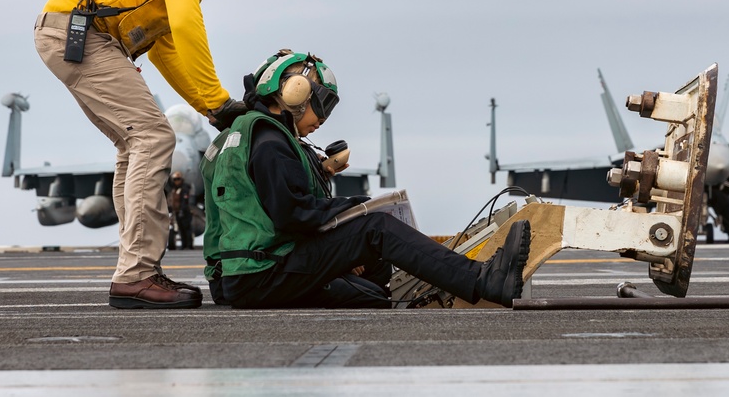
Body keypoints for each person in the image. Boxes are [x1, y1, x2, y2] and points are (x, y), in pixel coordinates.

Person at [34, 0, 290, 309]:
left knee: (131, 144)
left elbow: (167, 47)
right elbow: (188, 25)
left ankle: (135, 270)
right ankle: (136, 275)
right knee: (154, 138)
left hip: (80, 35)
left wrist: (213, 106)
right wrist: (220, 101)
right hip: (79, 34)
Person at [201, 50, 532, 309]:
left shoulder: (239, 137)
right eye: (322, 102)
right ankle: (482, 279)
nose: (324, 116)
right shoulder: (271, 142)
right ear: (294, 91)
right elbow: (293, 215)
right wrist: (355, 210)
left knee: (373, 290)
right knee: (377, 228)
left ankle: (458, 279)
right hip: (262, 275)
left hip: (241, 277)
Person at [167, 172, 194, 250]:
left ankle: (189, 245)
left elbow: (185, 201)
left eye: (178, 179)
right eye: (175, 179)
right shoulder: (174, 190)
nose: (177, 181)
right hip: (177, 212)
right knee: (181, 229)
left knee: (187, 228)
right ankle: (184, 245)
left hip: (185, 212)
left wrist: (183, 210)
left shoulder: (184, 189)